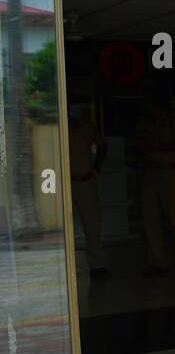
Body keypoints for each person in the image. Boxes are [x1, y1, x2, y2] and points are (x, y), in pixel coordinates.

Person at [136, 100, 175, 276]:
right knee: (150, 218)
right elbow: (140, 145)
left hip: (170, 172)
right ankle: (158, 262)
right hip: (150, 172)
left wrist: (158, 146)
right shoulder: (144, 121)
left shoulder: (174, 121)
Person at [68, 101, 110, 278]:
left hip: (86, 179)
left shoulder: (88, 126)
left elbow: (102, 145)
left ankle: (97, 265)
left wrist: (96, 167)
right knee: (63, 228)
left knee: (92, 225)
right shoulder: (60, 125)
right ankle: (65, 266)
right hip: (66, 182)